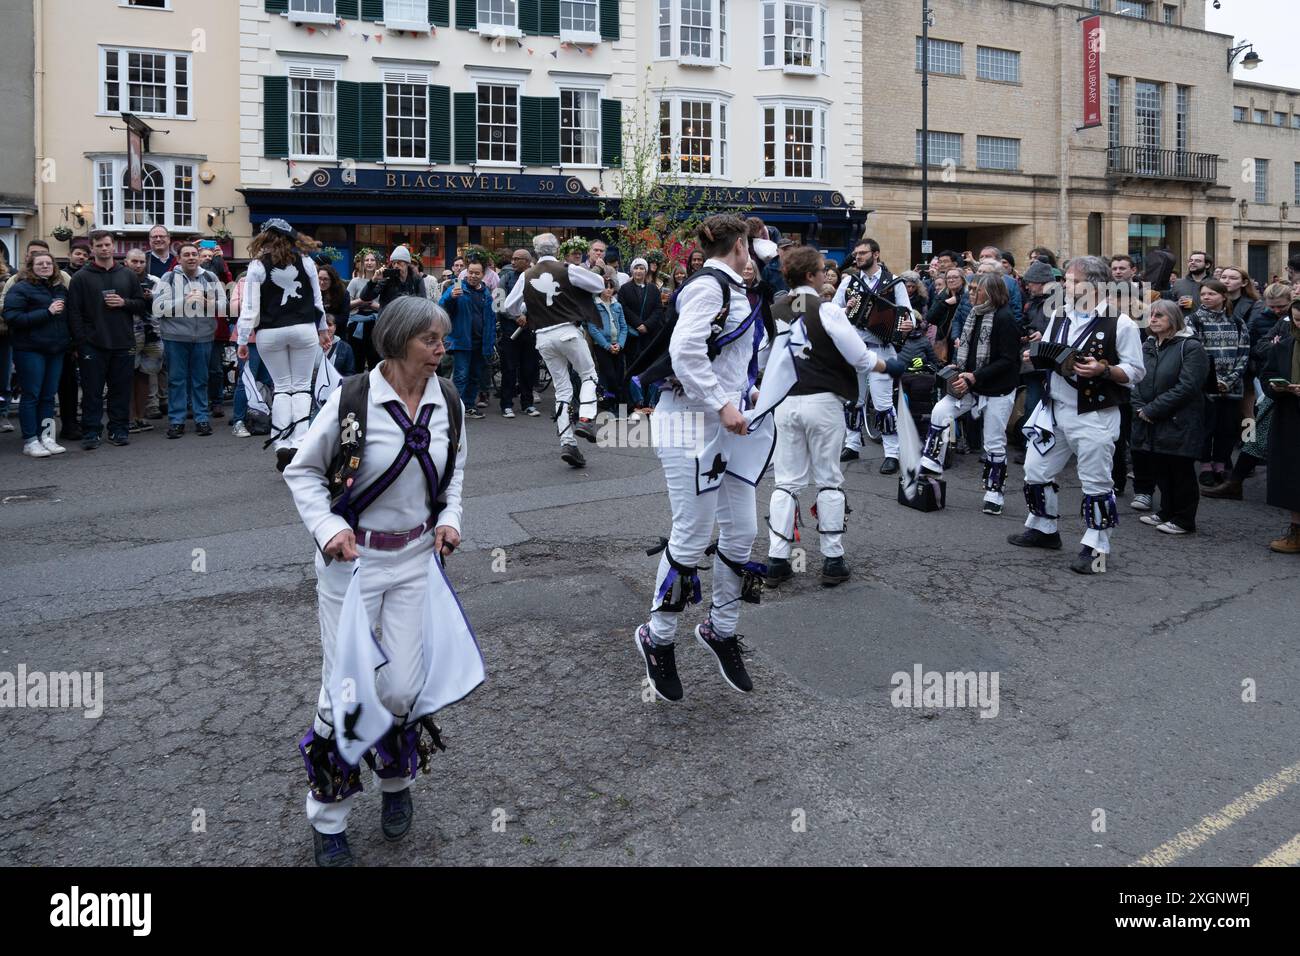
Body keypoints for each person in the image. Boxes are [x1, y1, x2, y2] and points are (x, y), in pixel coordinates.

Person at [283, 296, 475, 867]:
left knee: (401, 689)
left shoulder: (450, 403)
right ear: (396, 342)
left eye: (443, 339)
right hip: (353, 566)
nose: (443, 349)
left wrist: (449, 518)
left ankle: (397, 785)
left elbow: (456, 471)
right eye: (431, 341)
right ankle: (329, 816)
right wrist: (328, 528)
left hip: (416, 561)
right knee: (347, 691)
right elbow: (303, 472)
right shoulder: (353, 399)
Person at [634, 214, 767, 702]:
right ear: (739, 246)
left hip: (725, 421)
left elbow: (731, 360)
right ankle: (658, 636)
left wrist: (747, 394)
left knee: (744, 531)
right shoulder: (710, 287)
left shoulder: (733, 288)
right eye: (751, 247)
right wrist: (723, 403)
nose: (754, 256)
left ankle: (720, 628)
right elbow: (685, 352)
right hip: (692, 422)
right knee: (691, 536)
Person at [766, 246, 902, 587]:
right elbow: (860, 357)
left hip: (785, 402)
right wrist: (890, 365)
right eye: (822, 271)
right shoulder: (826, 310)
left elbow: (761, 356)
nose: (827, 275)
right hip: (823, 401)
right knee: (828, 478)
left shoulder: (778, 309)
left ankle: (778, 560)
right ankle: (832, 559)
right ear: (812, 275)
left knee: (786, 481)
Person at [1009, 256, 1144, 574]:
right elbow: (1053, 352)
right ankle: (1044, 529)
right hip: (1054, 409)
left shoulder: (1120, 322)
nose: (1064, 285)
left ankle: (1097, 547)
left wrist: (1105, 369)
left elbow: (1136, 371)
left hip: (1094, 414)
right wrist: (1038, 352)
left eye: (1070, 280)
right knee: (1035, 471)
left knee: (1096, 482)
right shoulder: (1059, 316)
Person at [920, 272, 1021, 514]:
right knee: (940, 411)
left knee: (994, 442)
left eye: (976, 289)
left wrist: (976, 375)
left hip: (997, 388)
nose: (971, 292)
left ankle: (994, 493)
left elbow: (1008, 360)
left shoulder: (1005, 318)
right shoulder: (974, 313)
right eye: (971, 288)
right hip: (971, 383)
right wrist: (960, 368)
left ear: (992, 292)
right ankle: (932, 463)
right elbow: (969, 348)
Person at [503, 232, 605, 468]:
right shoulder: (566, 268)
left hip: (543, 337)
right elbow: (598, 284)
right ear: (557, 250)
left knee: (562, 390)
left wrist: (528, 304)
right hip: (568, 331)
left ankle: (568, 442)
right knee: (588, 375)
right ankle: (586, 419)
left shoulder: (527, 275)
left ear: (536, 252)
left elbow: (510, 306)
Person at [237, 219, 327, 471]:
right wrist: (322, 330)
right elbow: (318, 301)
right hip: (303, 329)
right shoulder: (306, 262)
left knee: (281, 388)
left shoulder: (257, 267)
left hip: (270, 332)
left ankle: (281, 443)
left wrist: (243, 340)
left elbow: (249, 309)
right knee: (300, 387)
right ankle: (299, 441)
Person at [1128, 300, 1209, 536]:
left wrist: (1152, 409)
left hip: (1178, 419)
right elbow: (1136, 378)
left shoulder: (1191, 347)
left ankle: (1184, 519)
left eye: (1159, 316)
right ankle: (1166, 511)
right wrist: (1140, 407)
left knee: (1180, 470)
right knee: (1160, 467)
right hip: (1150, 418)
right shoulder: (1148, 345)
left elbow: (1188, 386)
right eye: (1151, 315)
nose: (1152, 319)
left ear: (1173, 319)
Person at [834, 238, 913, 473]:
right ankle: (852, 444)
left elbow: (908, 312)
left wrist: (909, 323)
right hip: (854, 349)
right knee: (853, 400)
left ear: (876, 255)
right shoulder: (849, 281)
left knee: (883, 404)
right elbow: (833, 310)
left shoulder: (894, 282)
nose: (857, 257)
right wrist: (845, 309)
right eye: (856, 253)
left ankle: (892, 453)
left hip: (882, 350)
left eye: (862, 253)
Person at [66, 230, 147, 449]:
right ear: (92, 249)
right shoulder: (81, 277)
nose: (104, 248)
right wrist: (80, 342)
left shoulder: (128, 275)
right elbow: (73, 313)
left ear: (114, 247)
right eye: (99, 245)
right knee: (92, 392)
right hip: (92, 344)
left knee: (120, 391)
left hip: (123, 342)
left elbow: (141, 304)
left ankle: (118, 430)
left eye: (107, 245)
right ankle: (91, 432)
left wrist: (124, 303)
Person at [154, 243, 228, 440]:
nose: (191, 257)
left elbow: (224, 307)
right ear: (178, 258)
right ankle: (176, 421)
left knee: (200, 380)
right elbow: (158, 307)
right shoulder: (168, 278)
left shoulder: (210, 277)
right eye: (186, 254)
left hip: (203, 337)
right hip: (175, 336)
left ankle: (202, 418)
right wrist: (183, 301)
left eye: (194, 254)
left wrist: (206, 302)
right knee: (176, 380)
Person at [3, 250, 70, 457]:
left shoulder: (59, 288)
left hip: (56, 349)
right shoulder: (21, 288)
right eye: (40, 263)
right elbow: (12, 317)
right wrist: (47, 312)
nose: (44, 266)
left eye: (48, 263)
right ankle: (30, 440)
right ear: (31, 267)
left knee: (49, 396)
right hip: (30, 350)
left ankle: (47, 436)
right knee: (32, 395)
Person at [1185, 279, 1249, 487]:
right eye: (1203, 294)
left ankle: (1220, 464)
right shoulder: (1194, 320)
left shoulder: (1237, 321)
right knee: (1206, 427)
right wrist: (1212, 381)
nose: (1206, 298)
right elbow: (1195, 353)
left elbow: (1244, 353)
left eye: (1211, 294)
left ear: (1223, 296)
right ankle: (1205, 466)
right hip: (1205, 385)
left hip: (1232, 384)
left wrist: (1229, 380)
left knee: (1227, 427)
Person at [1258, 296, 1300, 553]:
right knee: (1293, 475)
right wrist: (1275, 386)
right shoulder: (1285, 345)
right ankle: (1296, 531)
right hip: (1290, 416)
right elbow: (1266, 373)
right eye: (1297, 320)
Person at [438, 259, 495, 419]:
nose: (473, 276)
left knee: (475, 376)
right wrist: (450, 298)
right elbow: (441, 307)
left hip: (480, 342)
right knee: (461, 376)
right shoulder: (456, 289)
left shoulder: (486, 293)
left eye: (477, 273)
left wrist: (489, 344)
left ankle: (469, 406)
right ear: (466, 272)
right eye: (470, 272)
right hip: (462, 341)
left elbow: (490, 319)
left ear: (483, 274)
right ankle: (454, 409)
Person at [495, 248, 540, 419]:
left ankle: (527, 403)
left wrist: (528, 316)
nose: (512, 262)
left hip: (530, 331)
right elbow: (498, 304)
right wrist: (516, 317)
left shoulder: (536, 278)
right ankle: (506, 404)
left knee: (529, 369)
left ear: (528, 261)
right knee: (509, 369)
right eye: (512, 259)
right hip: (509, 331)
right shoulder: (504, 278)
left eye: (517, 259)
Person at [122, 249, 163, 432]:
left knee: (146, 375)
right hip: (128, 334)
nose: (138, 265)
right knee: (128, 377)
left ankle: (140, 416)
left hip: (152, 334)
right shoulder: (120, 279)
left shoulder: (155, 281)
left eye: (141, 262)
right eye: (134, 261)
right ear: (126, 262)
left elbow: (165, 306)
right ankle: (128, 418)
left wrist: (152, 298)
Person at [590, 270, 629, 411]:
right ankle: (608, 401)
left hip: (617, 345)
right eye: (605, 286)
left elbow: (624, 327)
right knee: (609, 375)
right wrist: (607, 346)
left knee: (619, 375)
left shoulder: (617, 305)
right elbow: (593, 329)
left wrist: (620, 344)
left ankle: (616, 402)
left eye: (610, 287)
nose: (608, 289)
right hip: (602, 346)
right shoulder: (595, 305)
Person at [925, 267, 969, 366]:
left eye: (955, 277)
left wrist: (958, 299)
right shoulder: (942, 296)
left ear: (962, 279)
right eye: (948, 278)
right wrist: (945, 303)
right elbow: (930, 317)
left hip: (960, 338)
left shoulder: (968, 296)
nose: (951, 280)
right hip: (943, 337)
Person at [347, 251, 382, 371]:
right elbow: (346, 304)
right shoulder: (355, 282)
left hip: (376, 324)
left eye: (372, 260)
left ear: (377, 263)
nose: (369, 263)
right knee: (357, 359)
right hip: (357, 324)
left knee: (375, 359)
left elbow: (387, 306)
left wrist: (373, 305)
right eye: (366, 260)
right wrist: (360, 302)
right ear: (362, 263)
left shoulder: (383, 282)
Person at [360, 246, 425, 310]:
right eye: (394, 263)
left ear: (407, 263)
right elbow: (365, 297)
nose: (396, 266)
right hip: (388, 317)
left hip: (408, 317)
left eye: (399, 262)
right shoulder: (387, 279)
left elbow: (423, 302)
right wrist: (373, 280)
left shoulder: (416, 279)